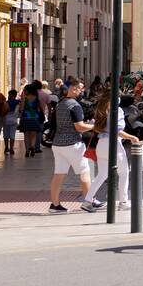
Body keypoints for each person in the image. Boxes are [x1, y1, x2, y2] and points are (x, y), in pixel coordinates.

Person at [81, 94, 142, 212]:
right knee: (124, 173)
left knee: (102, 174)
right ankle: (123, 202)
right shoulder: (116, 110)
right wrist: (132, 137)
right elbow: (117, 131)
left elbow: (98, 128)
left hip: (101, 144)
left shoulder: (101, 110)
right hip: (114, 145)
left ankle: (87, 200)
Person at [48, 78, 95, 213]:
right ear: (73, 89)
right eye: (79, 89)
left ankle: (55, 205)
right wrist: (93, 126)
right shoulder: (75, 105)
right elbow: (79, 127)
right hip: (72, 144)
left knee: (59, 174)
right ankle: (88, 202)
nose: (81, 91)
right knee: (85, 172)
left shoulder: (60, 103)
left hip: (58, 144)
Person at [19, 81, 45, 156]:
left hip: (26, 118)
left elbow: (21, 108)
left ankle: (27, 151)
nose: (24, 91)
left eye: (25, 90)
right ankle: (32, 146)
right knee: (33, 135)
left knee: (26, 135)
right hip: (35, 118)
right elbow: (40, 109)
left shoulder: (25, 98)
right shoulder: (36, 98)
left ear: (28, 90)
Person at [2, 89, 20, 156]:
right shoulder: (18, 102)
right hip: (14, 120)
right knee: (12, 134)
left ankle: (6, 147)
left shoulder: (6, 102)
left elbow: (3, 110)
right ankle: (11, 148)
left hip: (6, 119)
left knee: (5, 134)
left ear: (11, 95)